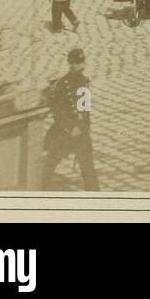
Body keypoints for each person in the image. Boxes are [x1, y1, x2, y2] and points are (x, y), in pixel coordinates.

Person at [41, 47, 99, 191]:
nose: (79, 66)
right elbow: (58, 112)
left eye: (81, 63)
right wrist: (71, 128)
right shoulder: (62, 84)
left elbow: (85, 110)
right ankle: (39, 191)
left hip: (80, 133)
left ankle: (96, 198)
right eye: (75, 63)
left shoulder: (83, 82)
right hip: (63, 132)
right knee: (50, 164)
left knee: (88, 168)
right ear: (70, 63)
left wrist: (82, 128)